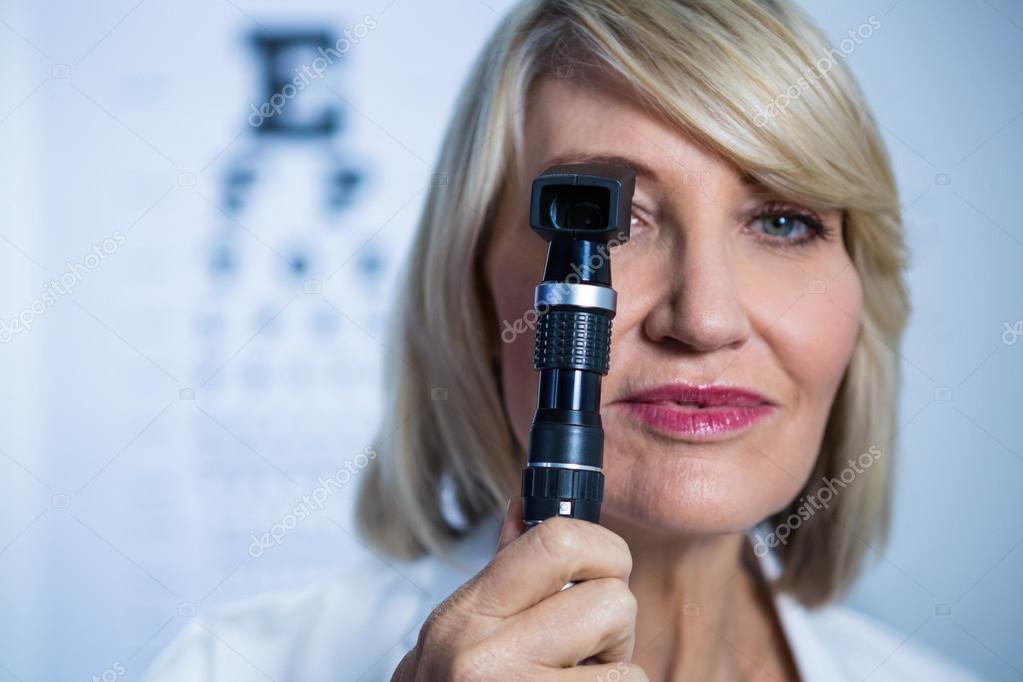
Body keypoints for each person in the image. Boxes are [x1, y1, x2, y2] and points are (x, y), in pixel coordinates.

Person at [144, 0, 982, 679]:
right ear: (472, 291)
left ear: (859, 296)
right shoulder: (234, 666)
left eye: (781, 221)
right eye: (611, 222)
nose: (705, 318)